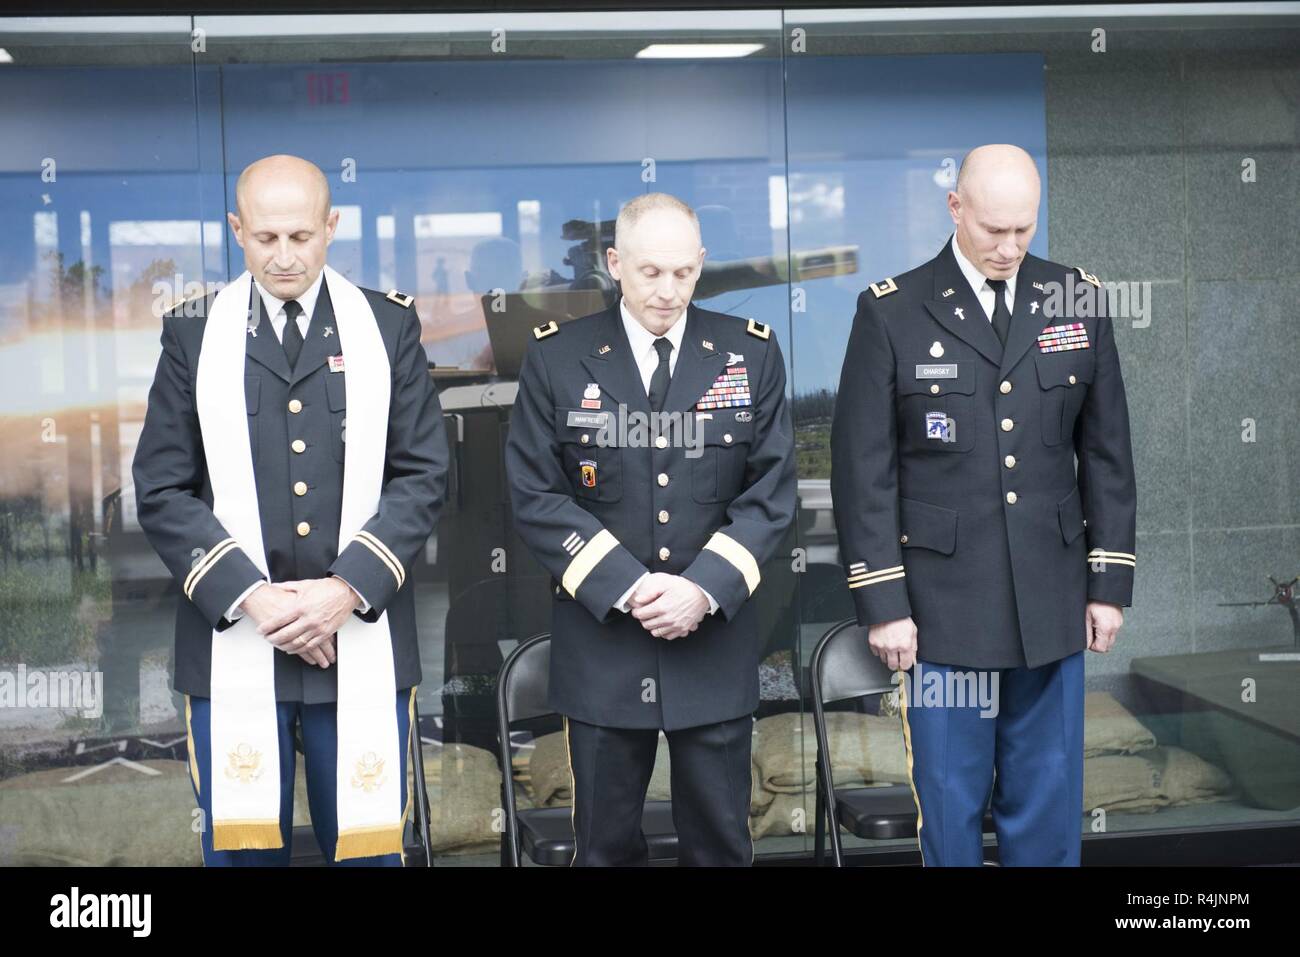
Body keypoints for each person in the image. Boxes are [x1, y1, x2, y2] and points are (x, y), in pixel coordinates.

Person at [132, 154, 449, 866]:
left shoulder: (387, 326)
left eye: (301, 237)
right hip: (237, 640)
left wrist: (343, 590)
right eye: (265, 237)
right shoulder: (192, 332)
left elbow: (425, 473)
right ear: (236, 230)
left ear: (331, 227)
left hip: (358, 638)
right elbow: (160, 485)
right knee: (245, 857)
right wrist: (254, 597)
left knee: (369, 855)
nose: (283, 256)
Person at [830, 144, 1136, 866]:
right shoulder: (892, 313)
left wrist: (1109, 586)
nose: (1009, 247)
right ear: (955, 208)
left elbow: (1107, 452)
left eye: (1024, 230)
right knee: (951, 803)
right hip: (941, 610)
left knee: (1048, 804)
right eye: (994, 229)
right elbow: (863, 470)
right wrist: (884, 603)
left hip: (1051, 600)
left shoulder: (1076, 299)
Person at [506, 192, 797, 865]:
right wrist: (630, 586)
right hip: (604, 645)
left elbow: (773, 490)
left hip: (713, 643)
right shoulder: (558, 357)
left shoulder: (747, 355)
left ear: (700, 264)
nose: (668, 291)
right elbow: (535, 494)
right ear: (614, 263)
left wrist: (702, 587)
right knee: (604, 848)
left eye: (683, 273)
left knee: (722, 844)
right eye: (649, 273)